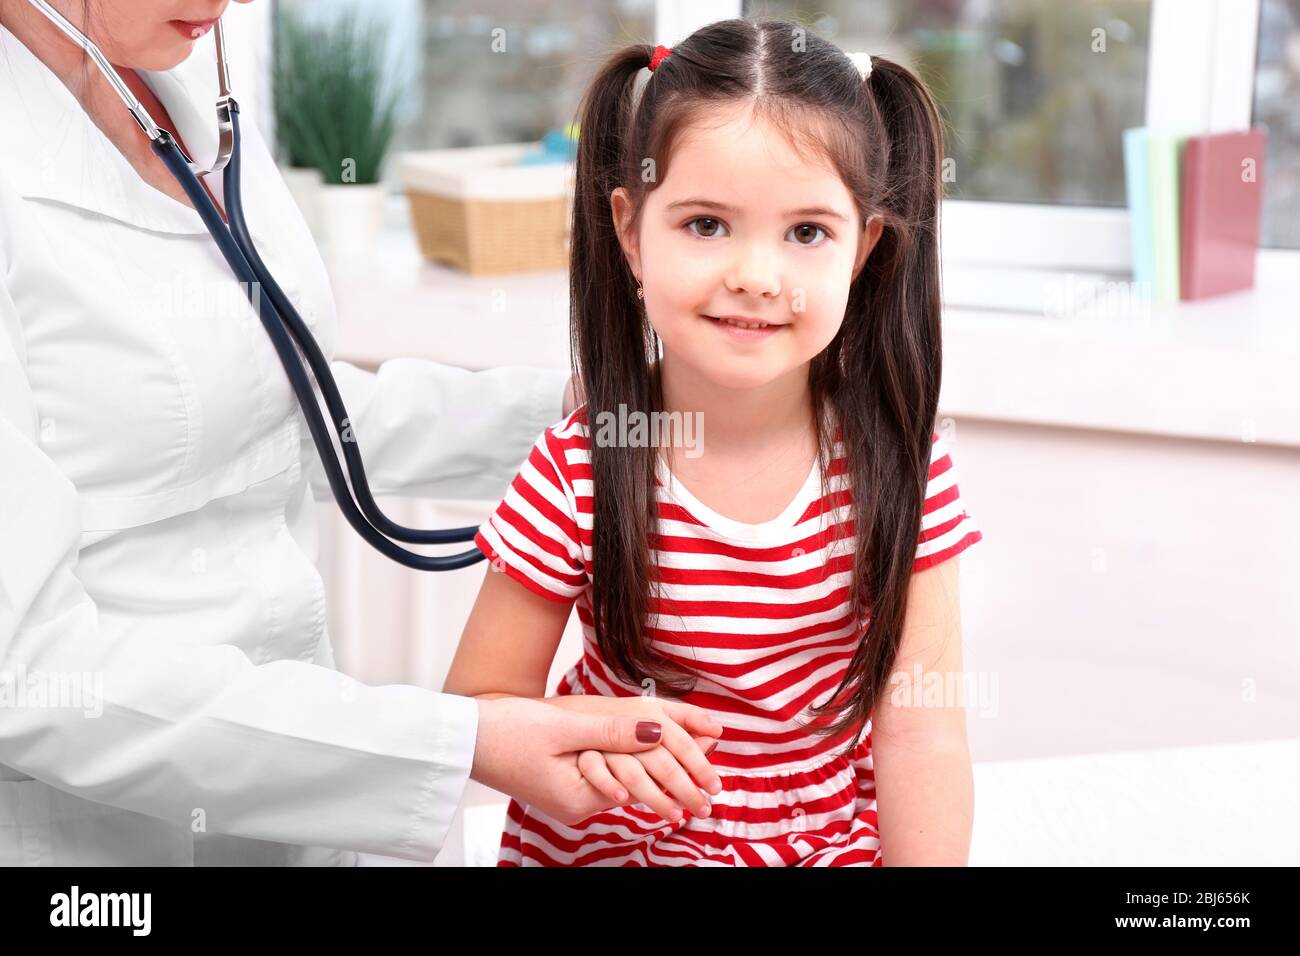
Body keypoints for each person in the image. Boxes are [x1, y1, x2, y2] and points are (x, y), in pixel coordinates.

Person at [0, 0, 723, 866]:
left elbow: (284, 404)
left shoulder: (173, 83)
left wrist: (607, 410)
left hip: (287, 775)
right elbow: (30, 675)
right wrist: (461, 743)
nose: (222, 6)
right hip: (96, 837)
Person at [446, 19, 984, 866]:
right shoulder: (578, 470)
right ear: (630, 231)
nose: (756, 275)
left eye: (806, 232)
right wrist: (586, 731)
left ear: (862, 249)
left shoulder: (907, 470)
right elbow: (475, 708)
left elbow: (922, 733)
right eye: (705, 224)